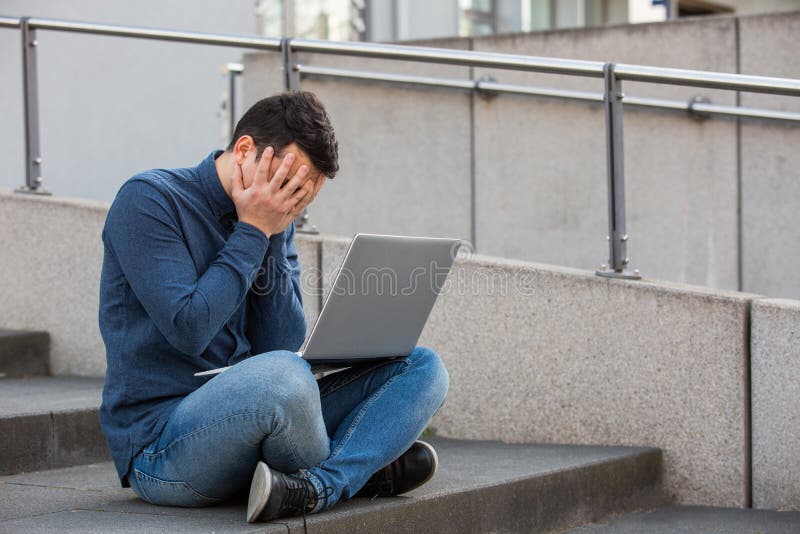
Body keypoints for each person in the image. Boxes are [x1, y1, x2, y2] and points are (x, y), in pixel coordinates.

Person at [97, 91, 449, 523]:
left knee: (423, 366)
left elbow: (280, 342)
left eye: (303, 196)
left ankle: (318, 485)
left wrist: (272, 236)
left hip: (260, 414)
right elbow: (190, 328)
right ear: (244, 150)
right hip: (164, 447)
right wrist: (253, 230)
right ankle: (358, 471)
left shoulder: (271, 221)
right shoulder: (149, 201)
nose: (293, 203)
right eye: (289, 185)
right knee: (284, 379)